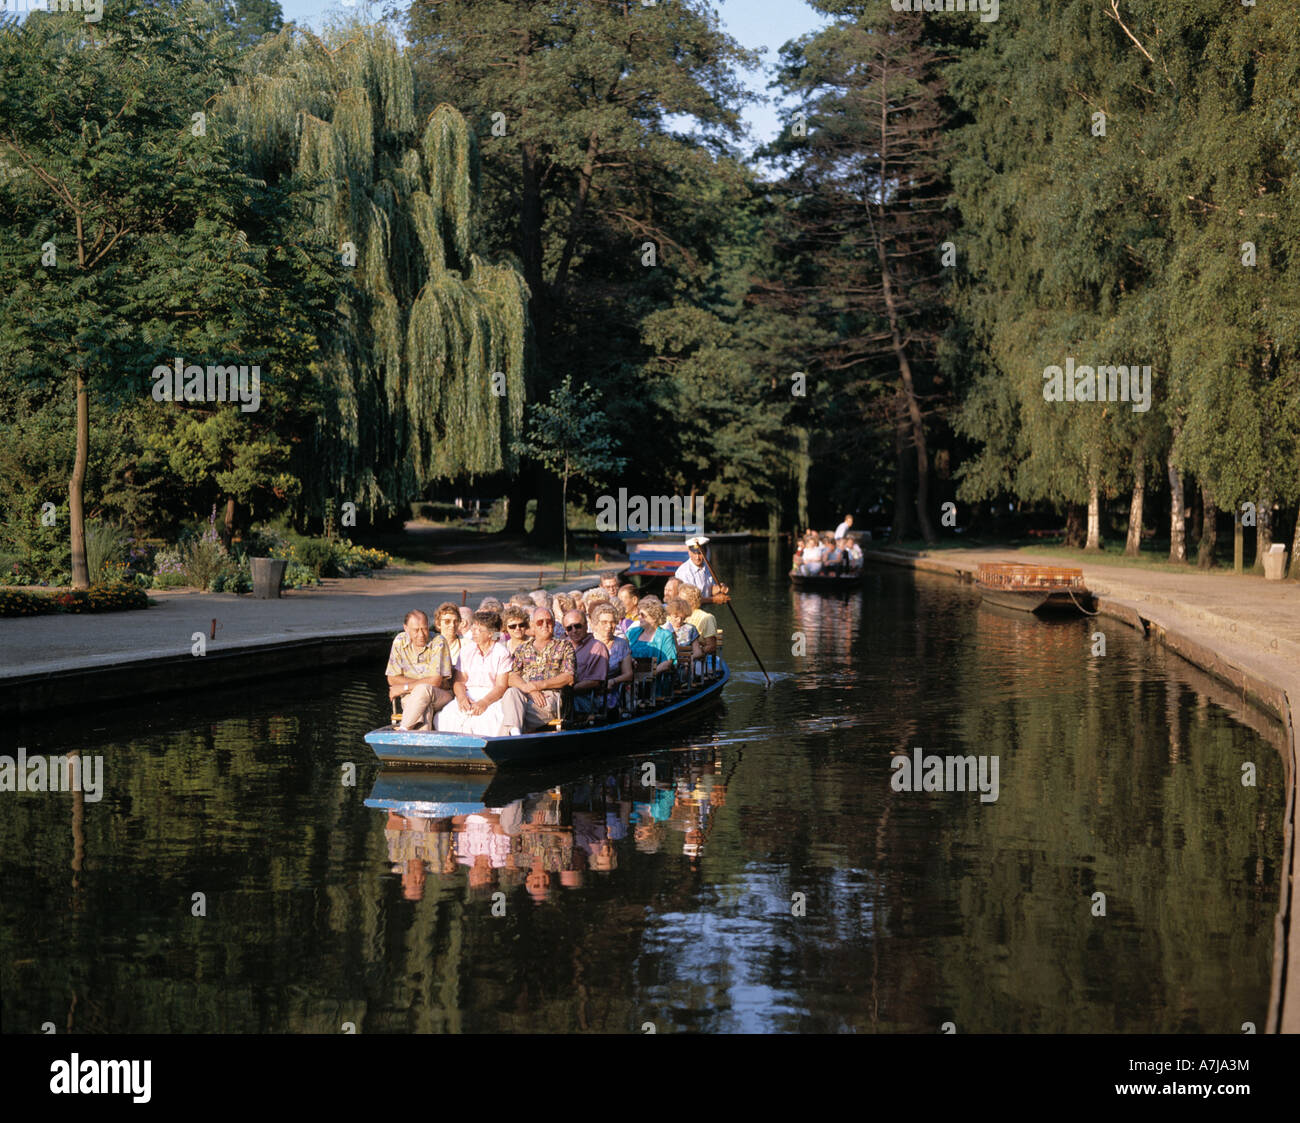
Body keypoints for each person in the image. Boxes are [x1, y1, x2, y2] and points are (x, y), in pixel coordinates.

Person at [438, 610, 525, 736]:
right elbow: (459, 681)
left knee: (488, 720)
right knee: (448, 716)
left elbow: (501, 686)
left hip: (492, 697)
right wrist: (462, 698)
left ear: (490, 634)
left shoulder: (501, 652)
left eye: (479, 630)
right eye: (473, 629)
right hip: (467, 694)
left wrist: (484, 702)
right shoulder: (467, 650)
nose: (474, 633)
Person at [508, 606, 577, 730]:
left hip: (549, 698)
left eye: (549, 621)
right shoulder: (522, 648)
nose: (545, 625)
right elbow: (512, 677)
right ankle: (514, 735)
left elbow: (569, 677)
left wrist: (539, 685)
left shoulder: (564, 646)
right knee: (511, 693)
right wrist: (529, 689)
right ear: (532, 625)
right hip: (525, 695)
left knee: (508, 714)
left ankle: (510, 736)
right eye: (540, 622)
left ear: (554, 624)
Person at [385, 609, 454, 731]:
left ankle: (402, 731)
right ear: (406, 628)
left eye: (424, 629)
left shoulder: (438, 642)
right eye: (416, 630)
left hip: (440, 695)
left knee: (423, 689)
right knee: (423, 708)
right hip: (411, 698)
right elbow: (392, 678)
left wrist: (403, 687)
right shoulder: (399, 641)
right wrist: (424, 681)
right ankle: (423, 747)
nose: (421, 634)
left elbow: (435, 682)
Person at [626, 596, 677, 699]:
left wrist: (648, 676)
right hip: (631, 678)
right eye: (639, 614)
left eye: (643, 615)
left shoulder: (665, 635)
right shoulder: (632, 632)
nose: (639, 617)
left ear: (654, 618)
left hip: (656, 680)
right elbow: (624, 653)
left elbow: (667, 663)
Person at [564, 610, 609, 715]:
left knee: (561, 704)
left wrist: (567, 691)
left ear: (585, 626)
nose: (574, 630)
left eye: (577, 626)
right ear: (566, 631)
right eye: (569, 628)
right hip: (566, 696)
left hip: (588, 698)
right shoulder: (563, 647)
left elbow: (595, 681)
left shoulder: (598, 647)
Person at [591, 603, 633, 713]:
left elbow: (628, 674)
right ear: (595, 624)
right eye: (604, 622)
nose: (609, 626)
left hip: (611, 690)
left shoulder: (621, 644)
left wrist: (613, 681)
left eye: (612, 622)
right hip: (588, 689)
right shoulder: (589, 643)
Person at [674, 537, 729, 604]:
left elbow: (708, 590)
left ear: (706, 552)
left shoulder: (707, 566)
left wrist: (719, 588)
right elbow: (690, 600)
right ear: (689, 552)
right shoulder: (683, 572)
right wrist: (714, 600)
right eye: (694, 553)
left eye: (700, 553)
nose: (697, 557)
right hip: (690, 612)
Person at [678, 585, 718, 656]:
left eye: (680, 600)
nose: (677, 602)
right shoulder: (676, 617)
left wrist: (693, 654)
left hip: (697, 659)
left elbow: (711, 646)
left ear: (691, 602)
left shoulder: (707, 618)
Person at [665, 598, 703, 665]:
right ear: (670, 614)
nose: (679, 620)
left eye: (682, 618)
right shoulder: (664, 628)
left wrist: (690, 658)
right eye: (676, 617)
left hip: (686, 664)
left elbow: (698, 652)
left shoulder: (691, 629)